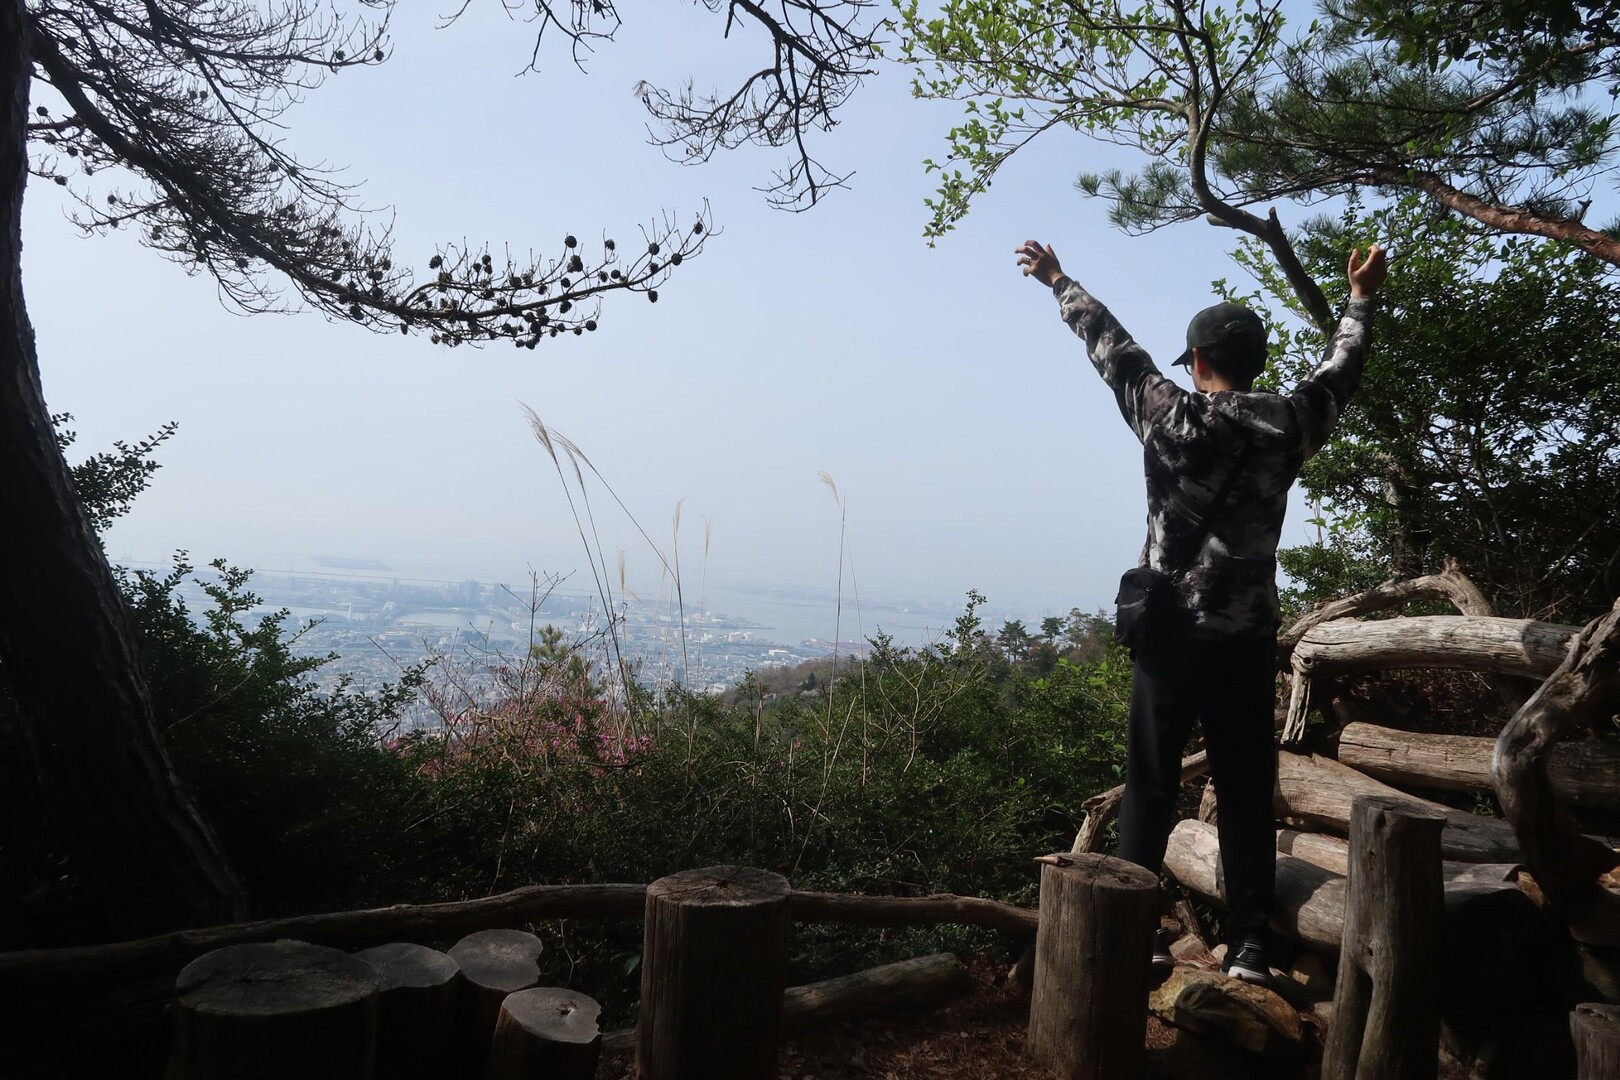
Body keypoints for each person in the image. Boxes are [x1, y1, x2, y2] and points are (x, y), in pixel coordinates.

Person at [1014, 237, 1388, 985]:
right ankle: (1249, 944)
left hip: (1170, 638)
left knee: (1150, 784)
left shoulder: (1169, 416)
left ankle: (1138, 929)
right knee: (1246, 791)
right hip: (1245, 640)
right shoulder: (1289, 422)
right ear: (1253, 361)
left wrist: (1057, 279)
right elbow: (1340, 372)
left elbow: (1112, 346)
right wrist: (1360, 300)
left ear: (1198, 360)